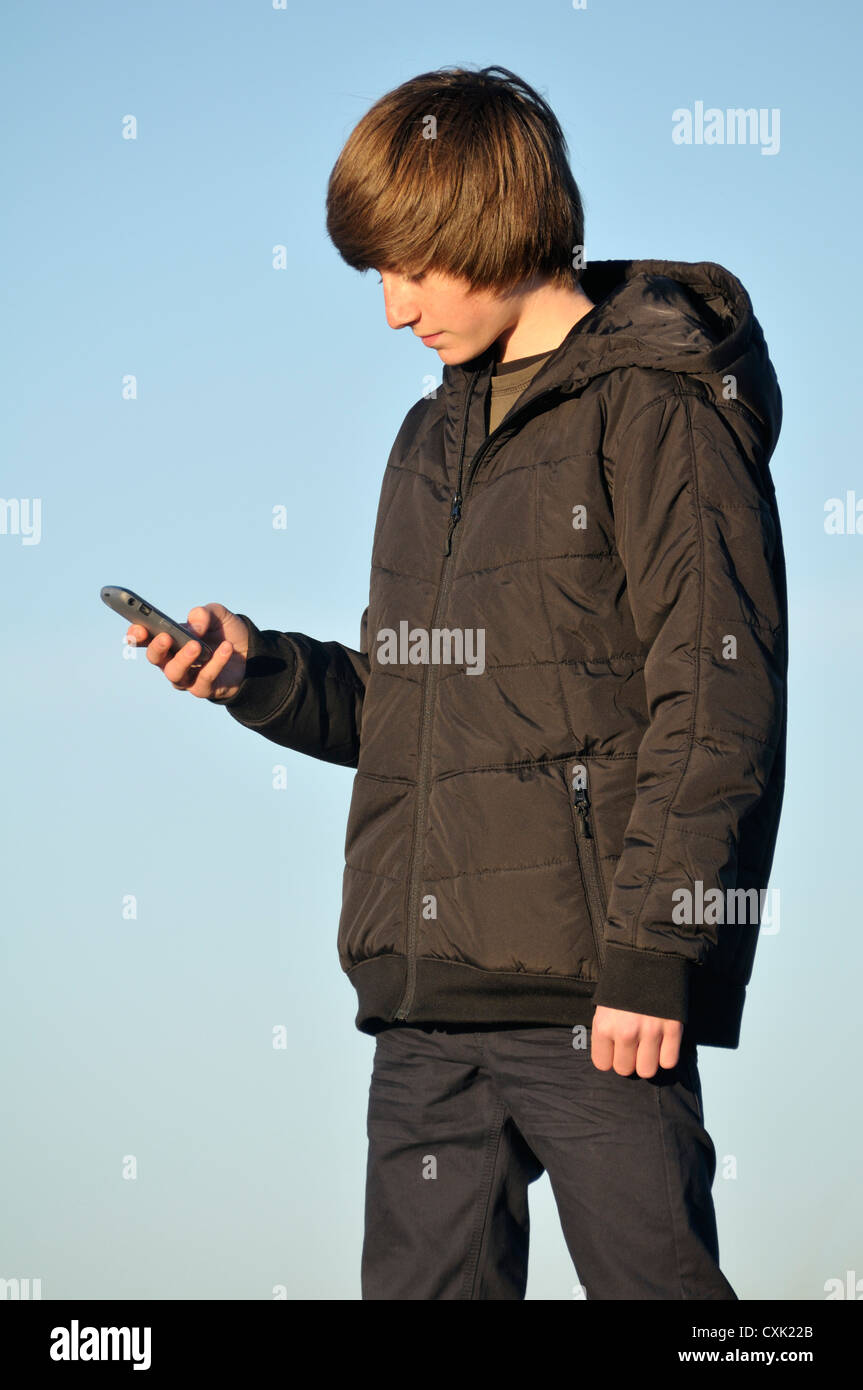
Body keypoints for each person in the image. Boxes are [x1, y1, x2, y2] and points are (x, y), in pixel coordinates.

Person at [126, 65, 787, 1300]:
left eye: (409, 270)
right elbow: (418, 711)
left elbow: (719, 695)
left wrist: (660, 953)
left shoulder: (659, 408)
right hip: (423, 1013)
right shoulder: (429, 437)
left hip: (599, 1001)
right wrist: (257, 673)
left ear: (487, 225)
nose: (389, 311)